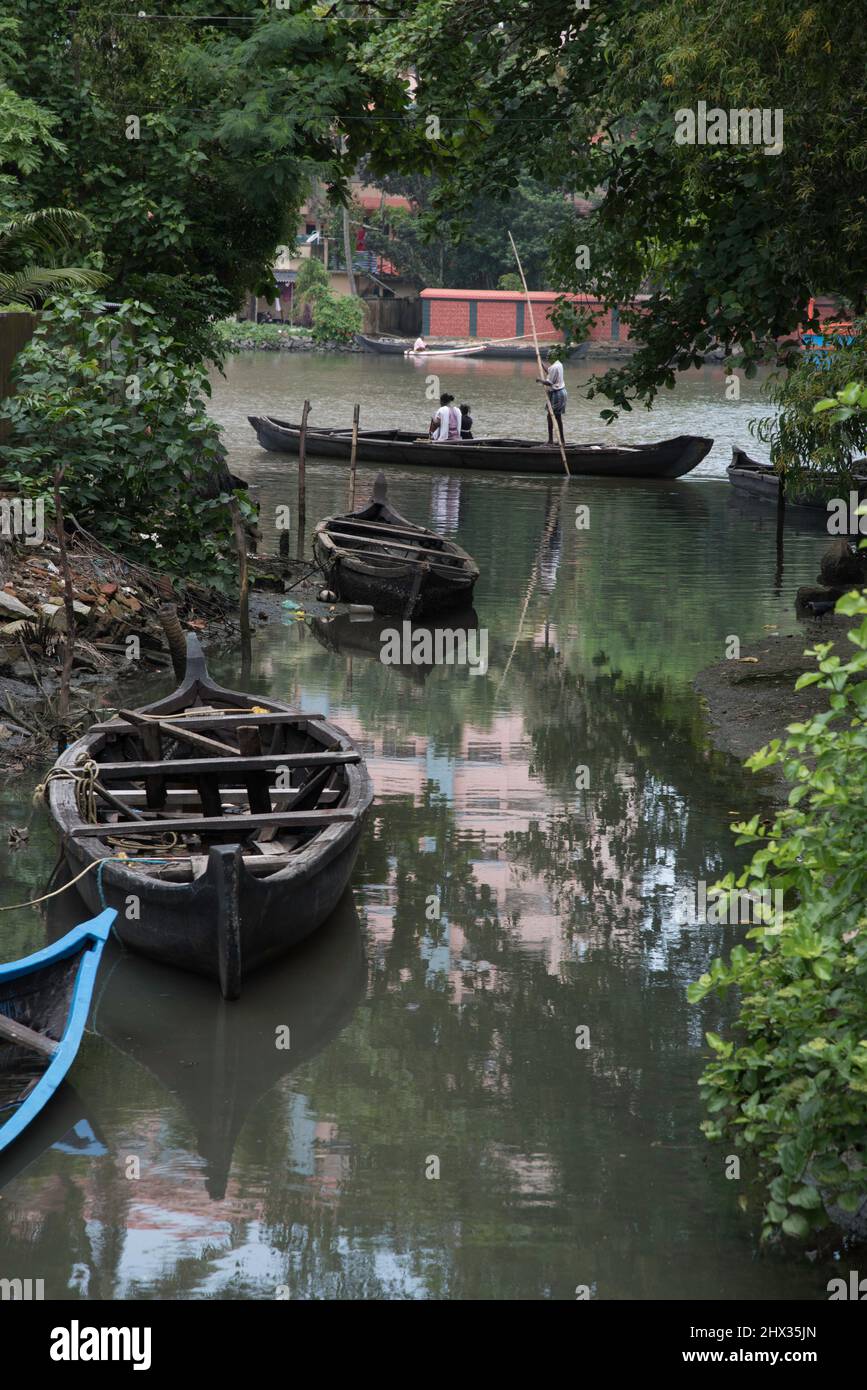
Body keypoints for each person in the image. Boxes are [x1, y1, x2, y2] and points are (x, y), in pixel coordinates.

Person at [536, 348, 567, 445]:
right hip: (560, 392)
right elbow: (549, 371)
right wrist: (541, 363)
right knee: (557, 417)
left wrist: (540, 380)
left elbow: (549, 383)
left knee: (550, 416)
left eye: (549, 357)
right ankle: (562, 440)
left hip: (557, 393)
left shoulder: (555, 367)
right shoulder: (558, 364)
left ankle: (550, 441)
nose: (548, 359)